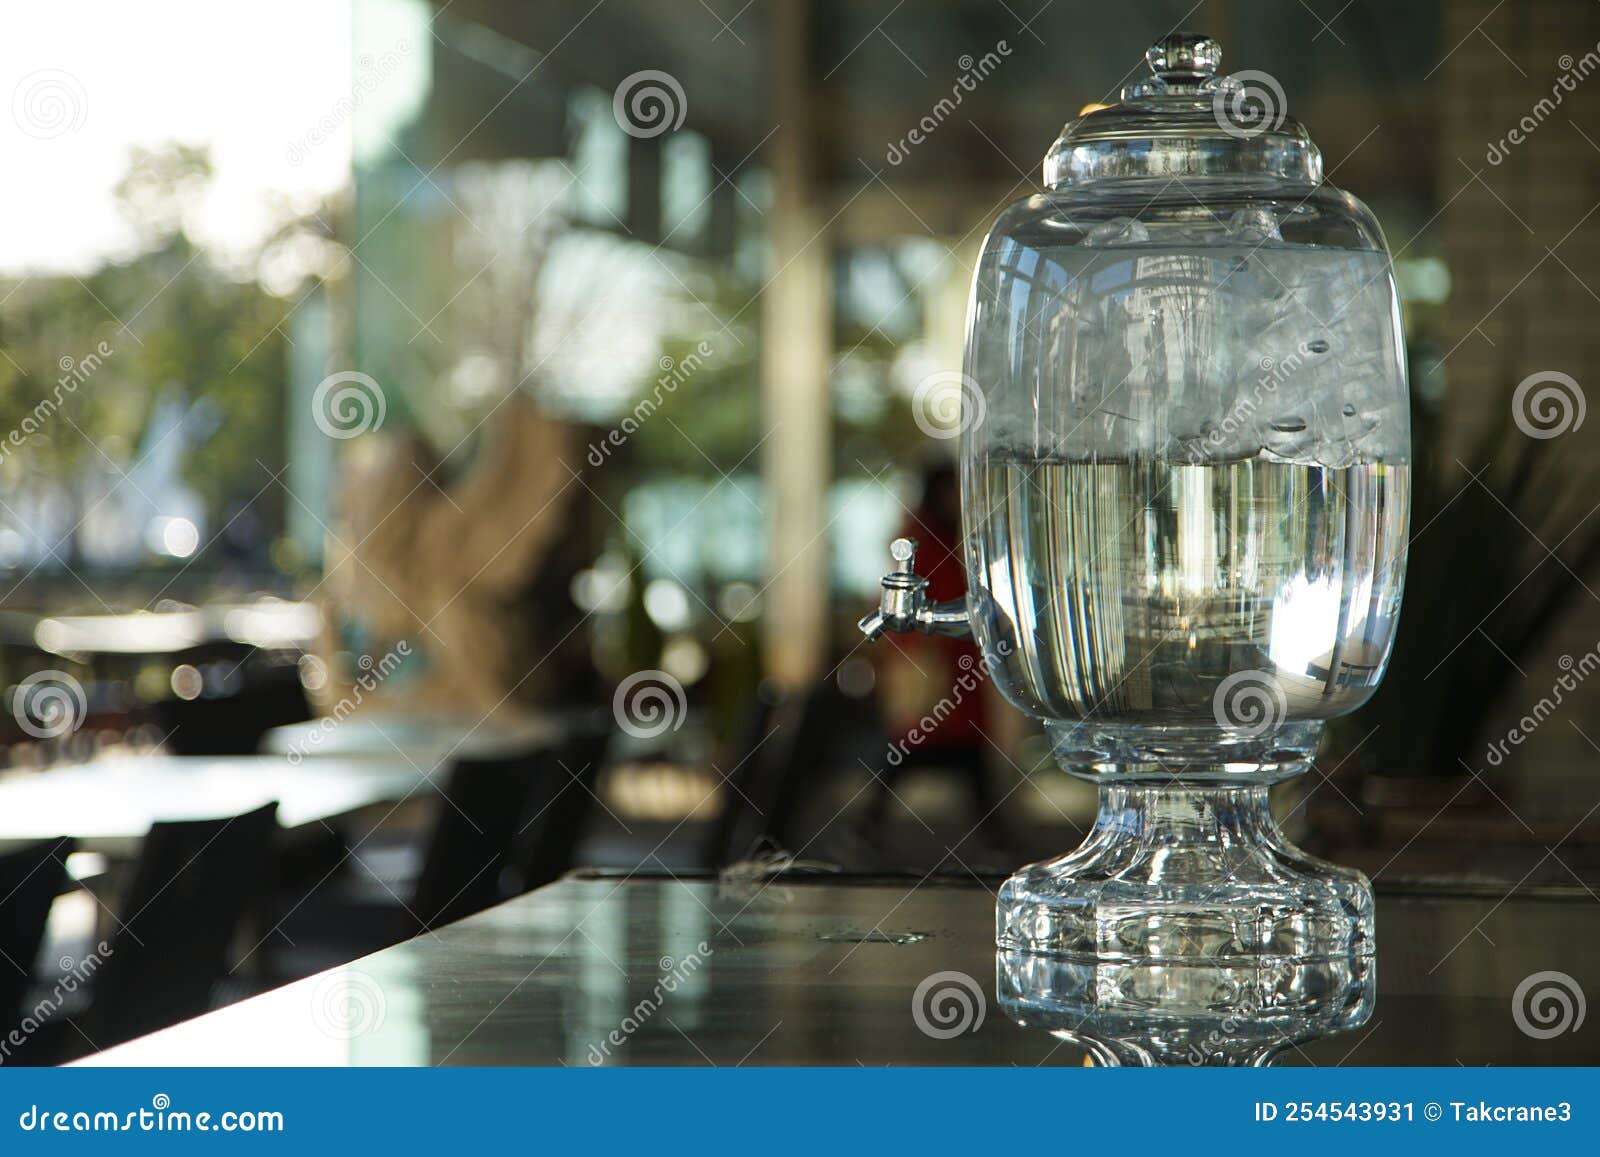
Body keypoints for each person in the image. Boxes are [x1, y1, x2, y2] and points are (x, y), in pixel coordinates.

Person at [865, 461, 1010, 851]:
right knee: (926, 748)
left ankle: (870, 825)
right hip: (940, 670)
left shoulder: (942, 537)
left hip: (957, 669)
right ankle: (869, 825)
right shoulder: (924, 541)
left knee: (940, 753)